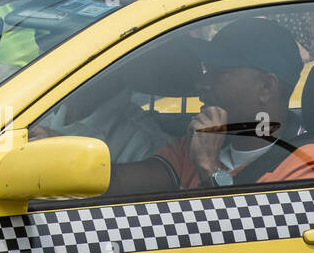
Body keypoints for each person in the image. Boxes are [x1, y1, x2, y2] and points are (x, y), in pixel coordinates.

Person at [107, 18, 314, 194]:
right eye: (208, 70)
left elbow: (243, 235)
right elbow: (119, 181)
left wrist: (209, 168)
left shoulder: (304, 164)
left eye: (219, 73)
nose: (201, 83)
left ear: (266, 87)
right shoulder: (203, 141)